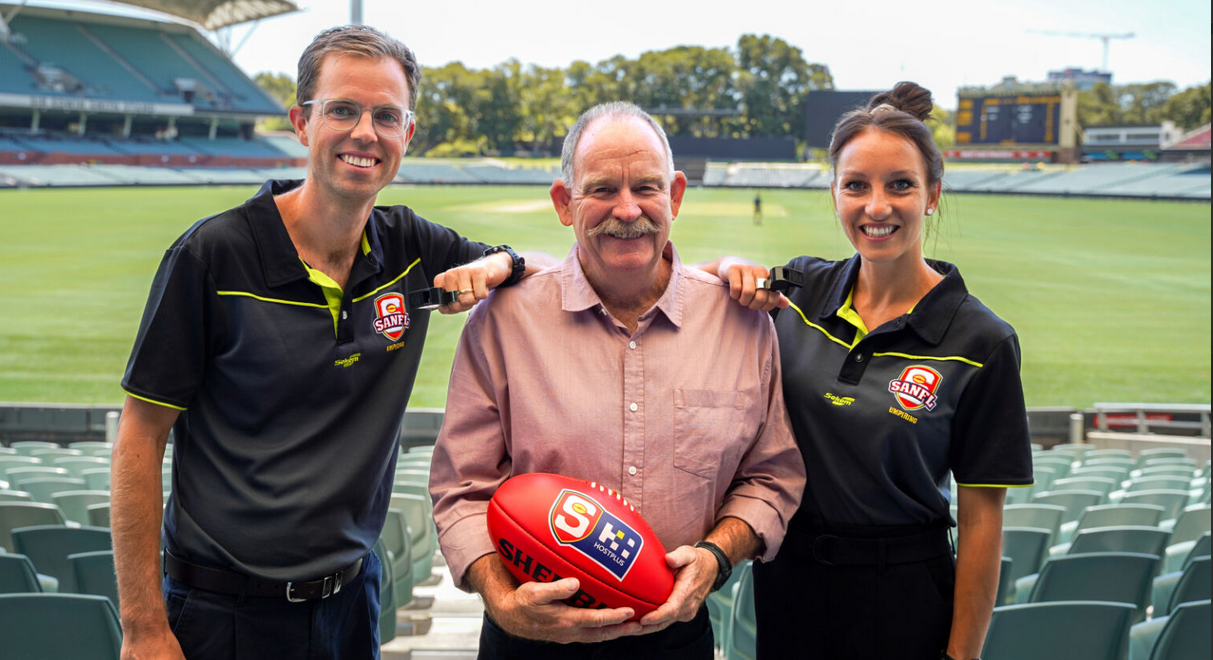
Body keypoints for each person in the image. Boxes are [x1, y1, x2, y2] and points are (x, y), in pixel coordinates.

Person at [111, 26, 540, 660]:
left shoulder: (409, 245)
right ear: (302, 123)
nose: (365, 132)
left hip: (350, 604)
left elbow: (537, 266)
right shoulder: (212, 256)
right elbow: (139, 437)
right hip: (219, 613)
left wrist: (503, 262)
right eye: (342, 109)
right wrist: (144, 627)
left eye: (386, 116)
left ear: (407, 136)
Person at [428, 102, 806, 660]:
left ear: (675, 195)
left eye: (646, 188)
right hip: (530, 639)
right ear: (564, 202)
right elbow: (462, 488)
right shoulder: (504, 321)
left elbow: (771, 478)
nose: (627, 211)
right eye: (602, 189)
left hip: (676, 638)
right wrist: (505, 603)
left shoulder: (743, 324)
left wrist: (715, 558)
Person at [708, 82, 1032, 659]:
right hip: (789, 583)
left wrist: (961, 657)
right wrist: (731, 263)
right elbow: (693, 284)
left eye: (900, 185)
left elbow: (982, 525)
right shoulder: (801, 291)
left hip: (903, 594)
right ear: (834, 193)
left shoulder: (982, 340)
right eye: (856, 185)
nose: (876, 207)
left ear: (933, 194)